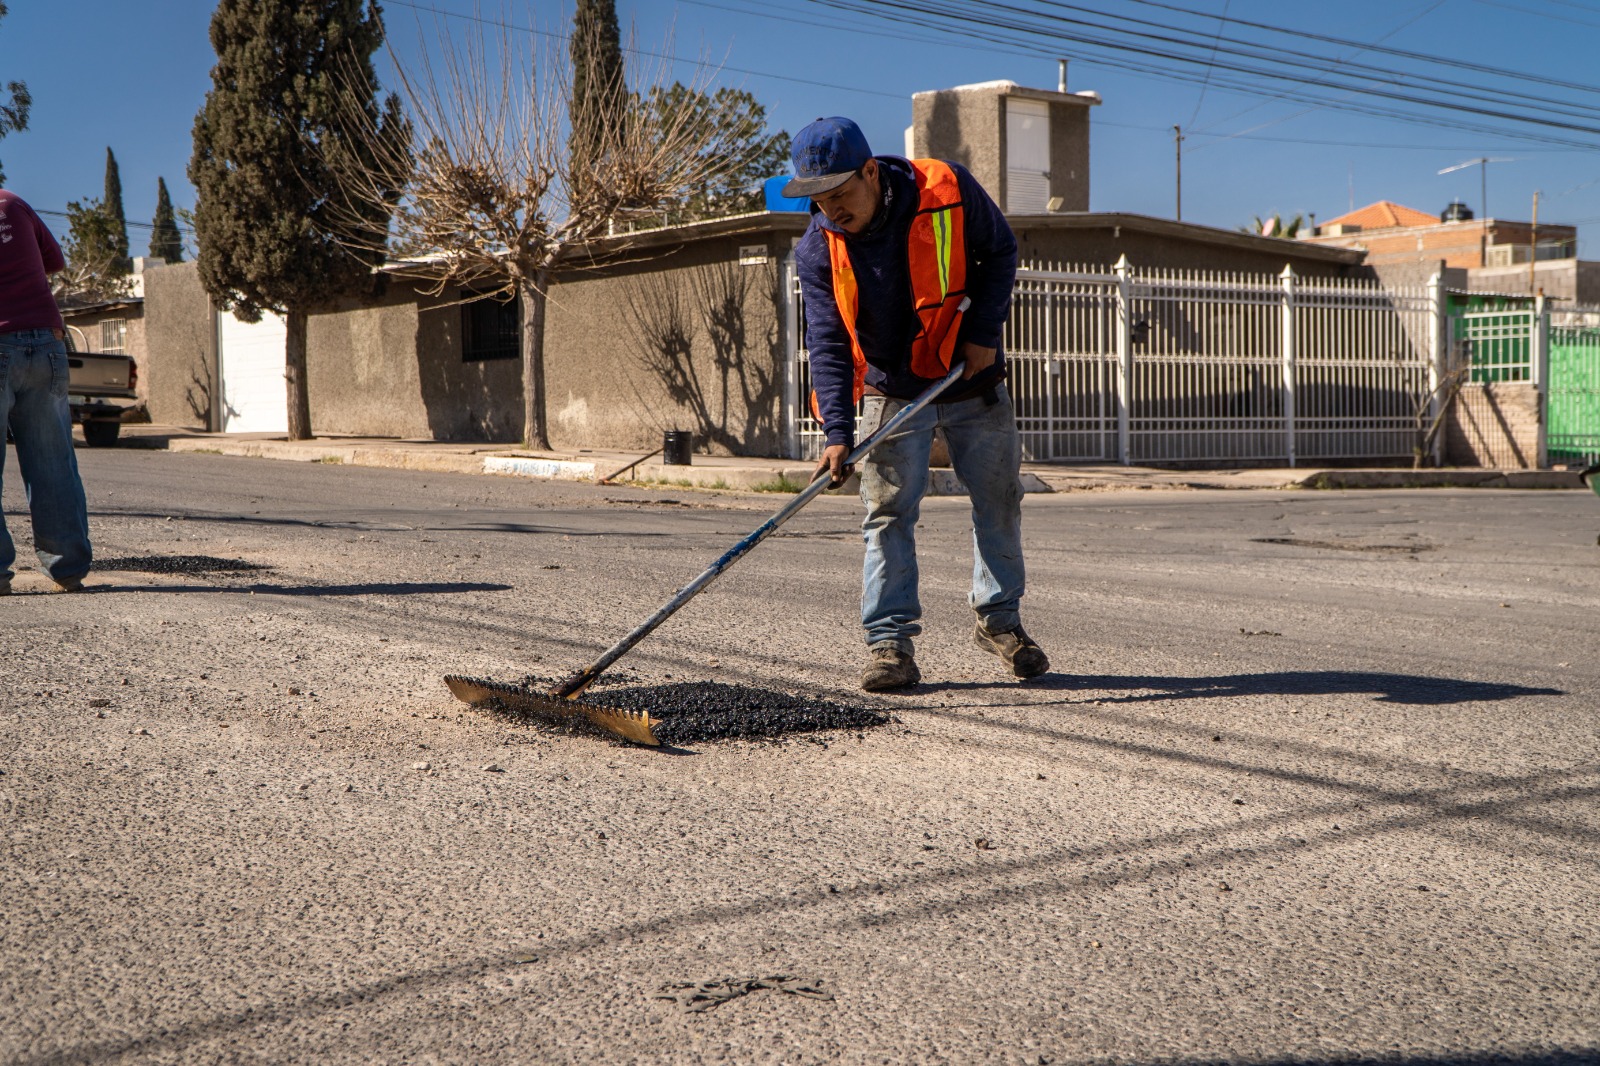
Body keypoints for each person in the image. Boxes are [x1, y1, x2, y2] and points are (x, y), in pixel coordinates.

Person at [784, 117, 1048, 691]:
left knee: (999, 499)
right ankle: (889, 643)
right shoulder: (817, 249)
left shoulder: (947, 190)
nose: (832, 211)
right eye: (819, 201)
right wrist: (836, 431)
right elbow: (827, 342)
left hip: (970, 376)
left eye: (840, 195)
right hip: (892, 389)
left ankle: (1000, 622)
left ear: (871, 172)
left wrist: (982, 333)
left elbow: (1000, 252)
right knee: (887, 514)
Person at [0, 189, 91, 594]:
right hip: (46, 341)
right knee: (53, 461)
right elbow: (54, 261)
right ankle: (67, 568)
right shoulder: (12, 202)